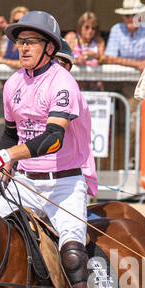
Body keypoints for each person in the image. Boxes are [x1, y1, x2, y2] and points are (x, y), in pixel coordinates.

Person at [0, 11, 98, 288]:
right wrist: (4, 163)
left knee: (72, 251)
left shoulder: (62, 82)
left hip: (63, 182)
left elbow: (53, 139)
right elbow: (10, 132)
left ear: (49, 47)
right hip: (24, 180)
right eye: (19, 42)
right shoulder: (14, 83)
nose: (22, 48)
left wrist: (8, 156)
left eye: (30, 42)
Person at [53, 37, 100, 197]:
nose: (50, 66)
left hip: (69, 176)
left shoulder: (67, 93)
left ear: (67, 66)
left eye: (56, 62)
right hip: (45, 172)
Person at [103, 0, 145, 70]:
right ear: (122, 16)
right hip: (121, 78)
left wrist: (143, 64)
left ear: (141, 16)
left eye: (135, 15)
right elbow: (110, 58)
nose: (132, 19)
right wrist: (137, 64)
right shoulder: (116, 29)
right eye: (127, 15)